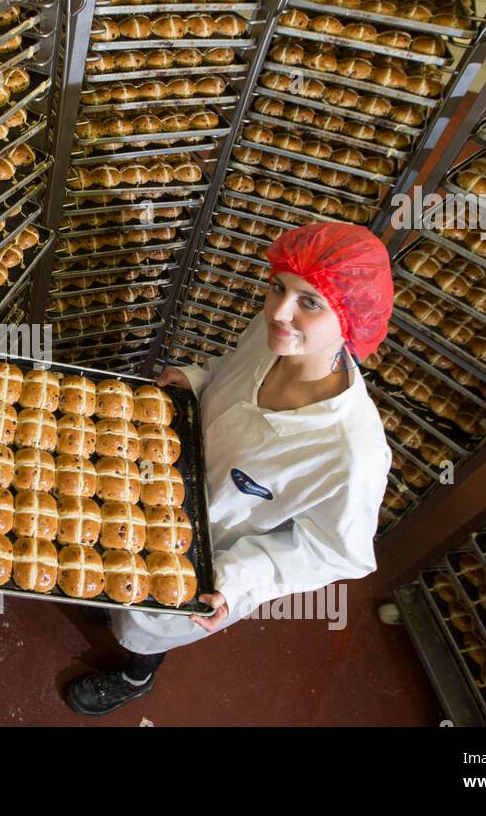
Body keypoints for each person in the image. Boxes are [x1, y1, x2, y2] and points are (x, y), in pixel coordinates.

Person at [64, 222, 395, 716]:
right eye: (278, 287)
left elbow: (336, 553)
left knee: (149, 626)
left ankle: (135, 677)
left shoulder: (350, 453)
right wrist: (194, 381)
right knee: (115, 576)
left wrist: (243, 579)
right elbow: (226, 373)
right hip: (159, 485)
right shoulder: (274, 339)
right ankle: (109, 598)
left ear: (350, 320)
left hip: (210, 556)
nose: (279, 312)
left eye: (310, 302)